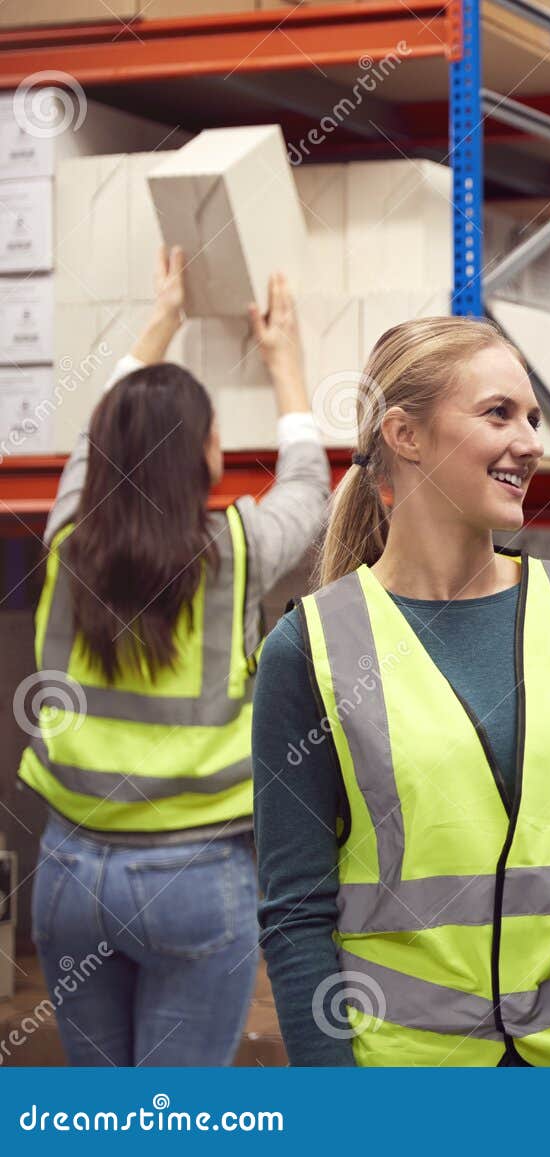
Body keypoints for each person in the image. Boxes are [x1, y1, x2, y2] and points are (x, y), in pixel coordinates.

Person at [252, 315, 550, 1067]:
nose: (529, 441)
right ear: (405, 433)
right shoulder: (312, 647)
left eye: (533, 418)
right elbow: (296, 914)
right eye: (498, 413)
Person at [20, 246, 330, 1065]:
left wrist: (162, 319)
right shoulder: (237, 551)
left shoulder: (65, 538)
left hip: (69, 870)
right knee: (177, 1123)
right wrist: (285, 362)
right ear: (205, 454)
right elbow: (308, 485)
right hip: (195, 878)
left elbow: (97, 439)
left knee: (99, 1116)